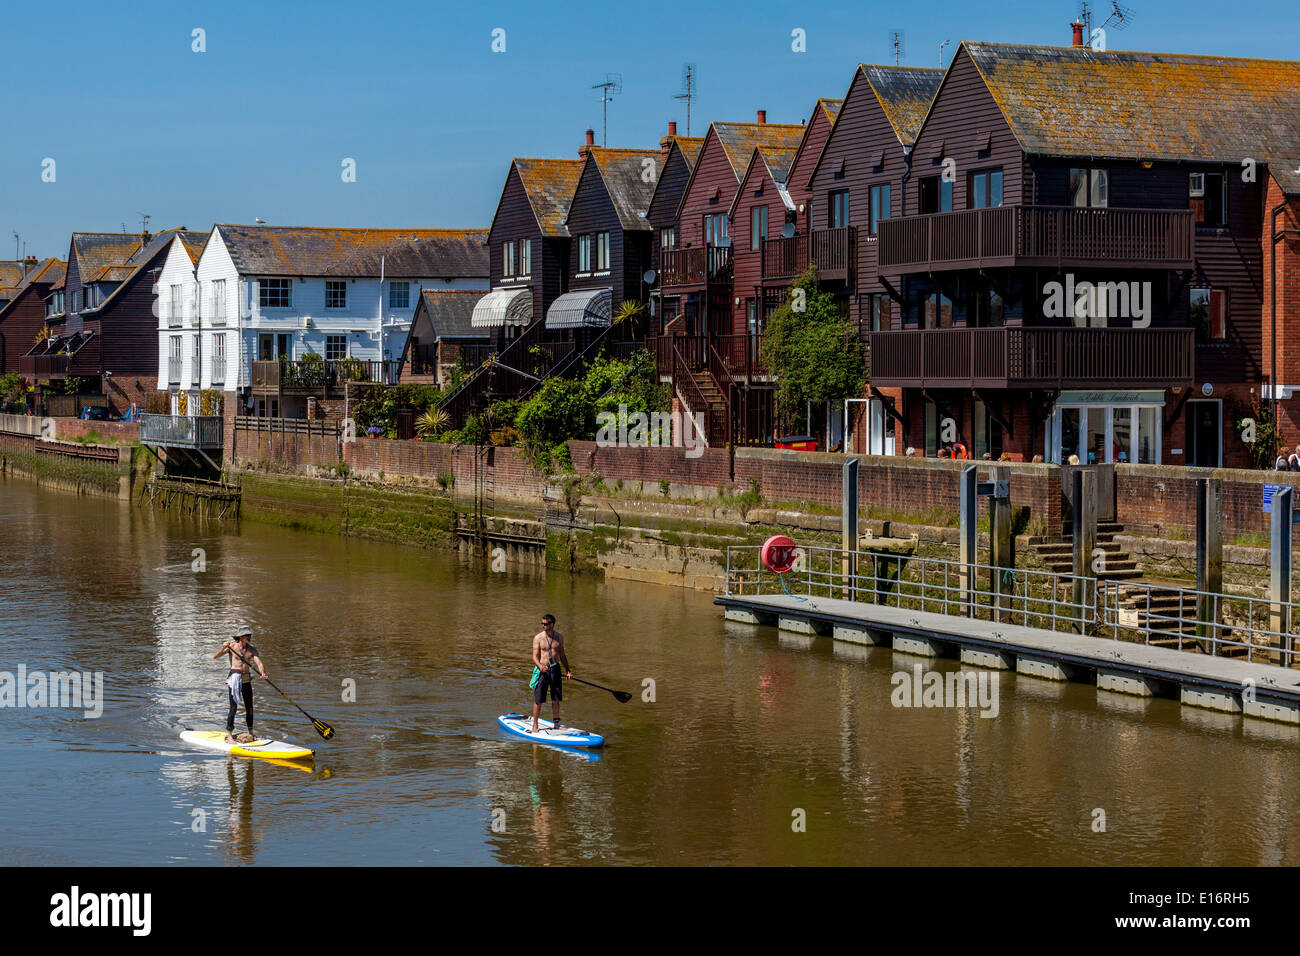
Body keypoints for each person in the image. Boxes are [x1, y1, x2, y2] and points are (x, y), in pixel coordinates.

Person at [213, 625, 268, 743]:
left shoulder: (252, 650)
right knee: (233, 707)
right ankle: (229, 735)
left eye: (250, 635)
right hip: (234, 680)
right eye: (246, 636)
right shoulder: (231, 647)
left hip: (246, 680)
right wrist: (223, 648)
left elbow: (259, 663)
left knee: (250, 707)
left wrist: (262, 673)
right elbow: (215, 657)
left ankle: (251, 732)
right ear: (240, 637)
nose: (249, 637)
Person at [530, 614, 572, 733]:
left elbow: (562, 655)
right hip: (542, 670)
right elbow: (534, 657)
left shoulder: (559, 637)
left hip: (555, 670)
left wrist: (568, 671)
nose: (543, 625)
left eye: (546, 624)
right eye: (542, 623)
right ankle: (535, 725)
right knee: (538, 700)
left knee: (556, 699)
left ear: (552, 624)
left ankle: (556, 724)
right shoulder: (538, 638)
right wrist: (540, 666)